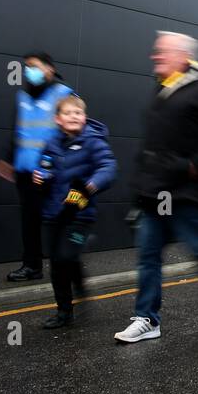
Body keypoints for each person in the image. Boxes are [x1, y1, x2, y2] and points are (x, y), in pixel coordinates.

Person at [114, 31, 198, 343]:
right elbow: (152, 145)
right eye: (156, 51)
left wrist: (194, 165)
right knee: (148, 257)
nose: (155, 56)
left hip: (188, 193)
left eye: (162, 52)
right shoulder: (161, 89)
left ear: (183, 57)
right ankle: (147, 318)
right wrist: (139, 187)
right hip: (153, 193)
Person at [34, 94, 116, 329]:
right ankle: (64, 312)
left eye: (78, 113)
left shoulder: (94, 141)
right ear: (58, 119)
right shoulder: (50, 143)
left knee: (65, 257)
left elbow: (108, 167)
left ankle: (77, 273)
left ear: (85, 117)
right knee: (57, 264)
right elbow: (45, 167)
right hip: (53, 214)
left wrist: (92, 185)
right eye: (68, 113)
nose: (74, 117)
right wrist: (42, 176)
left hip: (79, 214)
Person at [0, 52, 73, 282]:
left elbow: (74, 129)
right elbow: (17, 130)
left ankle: (67, 265)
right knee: (29, 220)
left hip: (52, 171)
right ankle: (32, 266)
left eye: (34, 66)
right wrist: (8, 159)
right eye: (26, 67)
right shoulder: (22, 96)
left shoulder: (63, 94)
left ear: (49, 69)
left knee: (61, 218)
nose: (29, 71)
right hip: (25, 169)